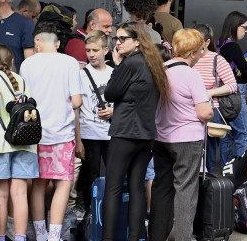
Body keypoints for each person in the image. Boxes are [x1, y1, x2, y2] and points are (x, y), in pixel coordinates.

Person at [101, 21, 168, 240]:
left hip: (125, 132)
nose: (117, 43)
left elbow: (110, 93)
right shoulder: (153, 63)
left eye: (122, 39)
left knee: (113, 188)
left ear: (137, 41)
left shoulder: (131, 64)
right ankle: (135, 238)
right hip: (146, 134)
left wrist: (118, 66)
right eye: (116, 39)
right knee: (137, 188)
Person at [19, 22, 83, 241]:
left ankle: (40, 233)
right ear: (57, 43)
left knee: (38, 183)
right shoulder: (69, 62)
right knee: (63, 183)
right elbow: (76, 100)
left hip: (33, 134)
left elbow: (23, 99)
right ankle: (54, 236)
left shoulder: (27, 64)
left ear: (37, 42)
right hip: (62, 134)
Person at [149, 28, 213, 241]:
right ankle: (184, 238)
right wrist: (211, 111)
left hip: (161, 138)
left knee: (161, 188)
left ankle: (157, 236)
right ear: (192, 53)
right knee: (186, 191)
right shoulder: (192, 75)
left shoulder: (160, 70)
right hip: (187, 140)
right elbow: (204, 113)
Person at [0, 45, 38, 241]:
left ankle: (0, 237)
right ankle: (20, 238)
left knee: (2, 196)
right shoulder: (21, 80)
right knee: (20, 194)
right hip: (24, 142)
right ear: (13, 62)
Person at [75, 30, 114, 217]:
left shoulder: (114, 74)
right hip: (89, 132)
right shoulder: (81, 75)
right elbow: (75, 108)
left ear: (106, 50)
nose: (91, 54)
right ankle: (91, 212)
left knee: (113, 174)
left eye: (95, 50)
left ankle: (109, 211)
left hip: (111, 132)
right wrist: (78, 139)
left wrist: (114, 111)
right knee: (90, 174)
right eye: (88, 50)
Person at [191, 24, 238, 172]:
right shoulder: (188, 58)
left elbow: (232, 86)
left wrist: (210, 93)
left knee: (209, 153)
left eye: (199, 43)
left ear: (207, 42)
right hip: (190, 111)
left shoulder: (217, 59)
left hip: (211, 111)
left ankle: (208, 186)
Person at [216, 11, 247, 162]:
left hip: (221, 93)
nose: (245, 31)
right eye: (244, 27)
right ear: (235, 26)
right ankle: (239, 172)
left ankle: (226, 172)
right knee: (243, 134)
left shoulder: (219, 44)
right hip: (235, 93)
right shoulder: (232, 46)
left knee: (227, 135)